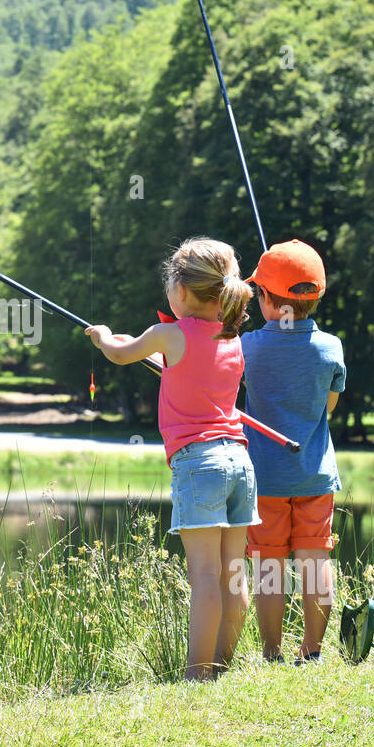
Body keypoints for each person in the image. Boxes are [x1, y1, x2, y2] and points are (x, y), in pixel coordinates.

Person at [86, 237, 256, 682]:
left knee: (203, 575)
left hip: (199, 464)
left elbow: (123, 353)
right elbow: (175, 360)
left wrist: (103, 336)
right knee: (232, 575)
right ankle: (219, 666)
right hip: (239, 460)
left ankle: (197, 676)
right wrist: (135, 345)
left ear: (180, 291)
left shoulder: (169, 334)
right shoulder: (232, 337)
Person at [240, 240, 345, 665]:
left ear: (265, 298)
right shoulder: (330, 348)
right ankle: (314, 651)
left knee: (268, 567)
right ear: (315, 296)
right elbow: (329, 407)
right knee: (315, 560)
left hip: (264, 477)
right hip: (315, 476)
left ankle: (272, 653)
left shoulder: (248, 346)